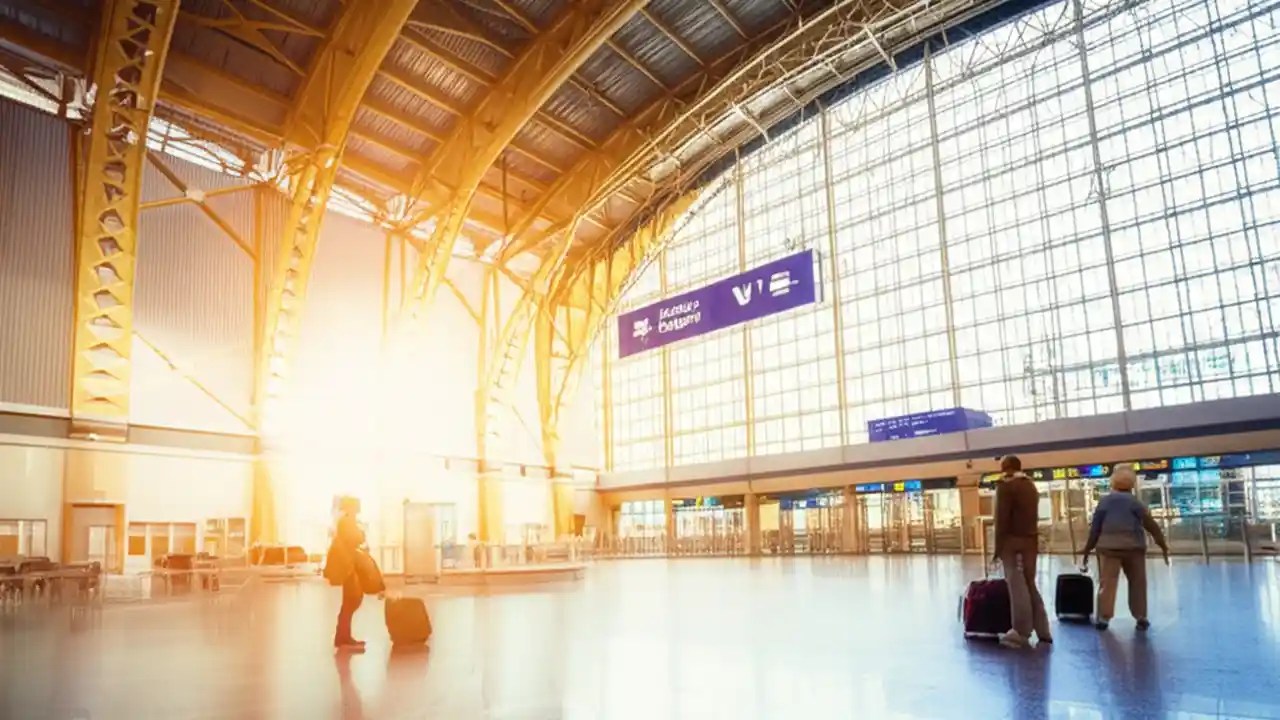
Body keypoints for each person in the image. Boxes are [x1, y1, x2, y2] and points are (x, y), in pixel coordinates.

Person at [1081, 465, 1170, 631]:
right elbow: (1151, 525)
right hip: (1134, 548)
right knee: (1137, 583)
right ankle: (1140, 617)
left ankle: (1103, 618)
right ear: (1132, 484)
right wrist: (1162, 545)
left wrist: (1087, 551)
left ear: (1113, 482)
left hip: (1108, 549)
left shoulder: (1105, 502)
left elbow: (1095, 530)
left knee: (1107, 584)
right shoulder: (1135, 503)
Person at [992, 455, 1053, 648]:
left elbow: (1002, 520)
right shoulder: (1030, 486)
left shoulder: (1005, 486)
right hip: (1030, 540)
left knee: (1016, 585)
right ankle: (1043, 629)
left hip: (1012, 542)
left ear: (1006, 468)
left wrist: (997, 547)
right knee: (1029, 583)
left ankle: (1020, 631)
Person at [324, 496, 367, 651]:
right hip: (346, 564)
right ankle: (342, 637)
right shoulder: (347, 521)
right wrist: (362, 533)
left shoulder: (346, 520)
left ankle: (343, 636)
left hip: (347, 563)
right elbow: (356, 538)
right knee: (352, 599)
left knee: (350, 600)